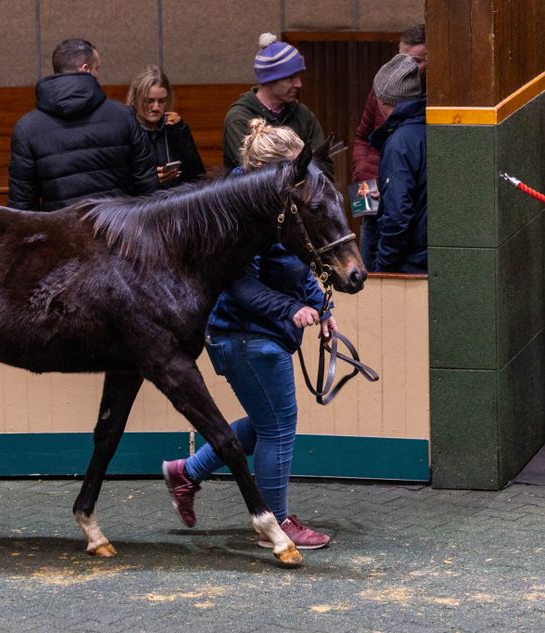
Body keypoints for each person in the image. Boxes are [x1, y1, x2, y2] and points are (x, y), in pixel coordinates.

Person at [163, 119, 336, 550]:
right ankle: (275, 523)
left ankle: (186, 473)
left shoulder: (276, 206)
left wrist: (322, 306)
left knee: (267, 423)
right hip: (242, 334)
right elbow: (238, 285)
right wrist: (291, 309)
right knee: (279, 427)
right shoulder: (235, 214)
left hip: (258, 332)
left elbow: (297, 261)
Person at [8, 39, 158, 211]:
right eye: (97, 68)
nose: (98, 75)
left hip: (63, 234)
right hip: (118, 232)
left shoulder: (26, 129)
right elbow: (147, 187)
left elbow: (22, 206)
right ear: (85, 69)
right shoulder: (124, 116)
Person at [352, 24, 426, 270]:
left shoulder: (427, 103)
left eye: (414, 60)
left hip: (398, 197)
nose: (406, 66)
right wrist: (364, 176)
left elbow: (399, 215)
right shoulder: (383, 87)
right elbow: (362, 137)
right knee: (366, 268)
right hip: (371, 188)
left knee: (381, 274)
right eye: (400, 57)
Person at [222, 33, 333, 180]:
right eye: (290, 78)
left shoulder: (303, 115)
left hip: (304, 200)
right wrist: (301, 166)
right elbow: (256, 178)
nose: (299, 84)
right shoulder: (239, 120)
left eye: (298, 77)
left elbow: (325, 167)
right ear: (269, 79)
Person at [370, 53, 427, 273]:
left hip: (409, 263)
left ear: (383, 100)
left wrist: (383, 267)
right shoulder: (429, 128)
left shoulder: (398, 144)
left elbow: (397, 216)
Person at [125, 65, 206, 188]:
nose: (156, 108)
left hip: (174, 201)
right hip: (140, 204)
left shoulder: (175, 128)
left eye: (162, 101)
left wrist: (179, 133)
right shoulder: (124, 130)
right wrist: (148, 181)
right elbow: (115, 182)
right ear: (136, 100)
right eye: (149, 101)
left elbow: (198, 177)